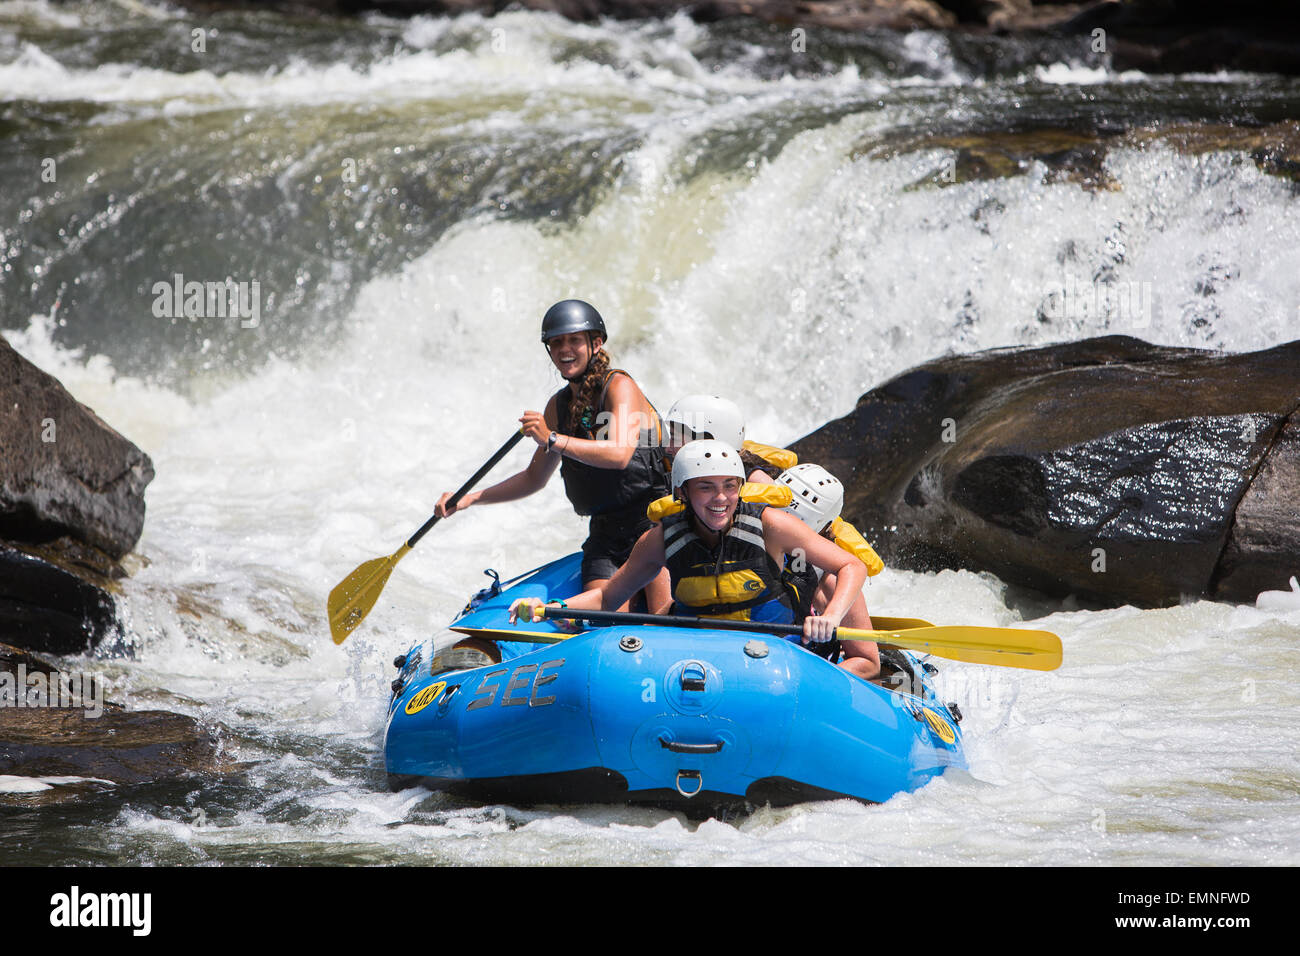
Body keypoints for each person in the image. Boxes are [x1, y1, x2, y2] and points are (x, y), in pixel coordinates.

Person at [435, 300, 672, 624]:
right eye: (556, 342)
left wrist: (552, 438)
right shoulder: (558, 407)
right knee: (606, 622)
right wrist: (471, 499)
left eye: (574, 340)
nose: (564, 349)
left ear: (596, 343)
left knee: (661, 618)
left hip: (655, 522)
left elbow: (619, 454)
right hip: (606, 534)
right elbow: (534, 477)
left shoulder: (619, 386)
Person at [508, 440, 867, 651]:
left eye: (729, 485)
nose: (720, 499)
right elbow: (607, 598)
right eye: (706, 487)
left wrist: (832, 617)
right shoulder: (663, 538)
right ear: (683, 491)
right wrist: (548, 607)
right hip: (695, 655)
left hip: (772, 655)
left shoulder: (770, 524)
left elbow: (851, 566)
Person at [776, 463, 881, 680]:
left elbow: (868, 663)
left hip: (801, 678)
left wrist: (815, 682)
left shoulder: (830, 580)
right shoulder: (744, 532)